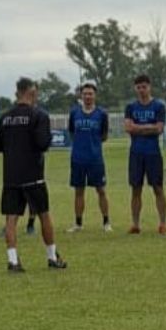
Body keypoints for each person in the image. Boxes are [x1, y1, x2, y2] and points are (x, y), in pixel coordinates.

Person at [0, 77, 66, 272]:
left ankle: (13, 261)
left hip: (11, 175)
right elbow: (42, 143)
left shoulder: (6, 117)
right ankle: (52, 257)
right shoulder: (39, 115)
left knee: (11, 218)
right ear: (32, 92)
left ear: (17, 92)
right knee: (43, 214)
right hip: (33, 175)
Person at [124, 75, 166, 235]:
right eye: (139, 87)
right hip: (136, 153)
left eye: (144, 87)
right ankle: (135, 224)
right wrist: (149, 127)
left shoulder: (159, 106)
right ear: (135, 88)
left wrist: (139, 128)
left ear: (149, 87)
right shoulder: (131, 107)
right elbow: (128, 128)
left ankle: (162, 223)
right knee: (136, 189)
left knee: (158, 188)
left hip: (153, 153)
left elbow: (159, 129)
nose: (142, 90)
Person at [67, 83, 111, 232]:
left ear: (95, 95)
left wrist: (93, 145)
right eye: (85, 94)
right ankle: (78, 223)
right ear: (81, 95)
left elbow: (104, 135)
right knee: (79, 191)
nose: (87, 96)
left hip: (95, 159)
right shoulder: (74, 113)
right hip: (78, 159)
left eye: (90, 94)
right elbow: (71, 132)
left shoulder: (102, 114)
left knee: (101, 190)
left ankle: (106, 222)